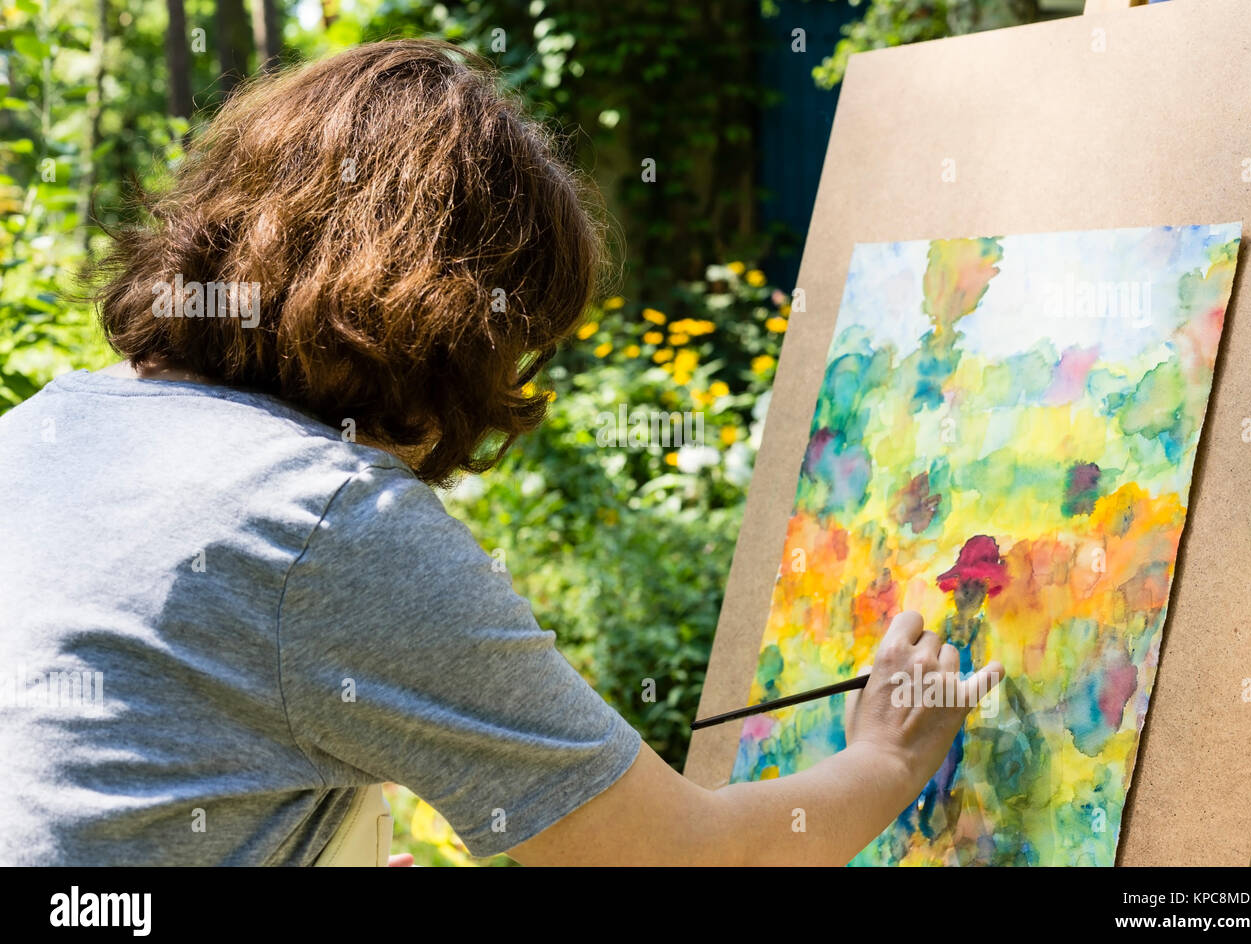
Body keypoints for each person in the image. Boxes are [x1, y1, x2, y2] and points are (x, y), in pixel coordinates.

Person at [0, 38, 1001, 866]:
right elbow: (675, 860)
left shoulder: (47, 428)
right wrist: (885, 756)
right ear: (444, 326)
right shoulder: (324, 519)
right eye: (507, 346)